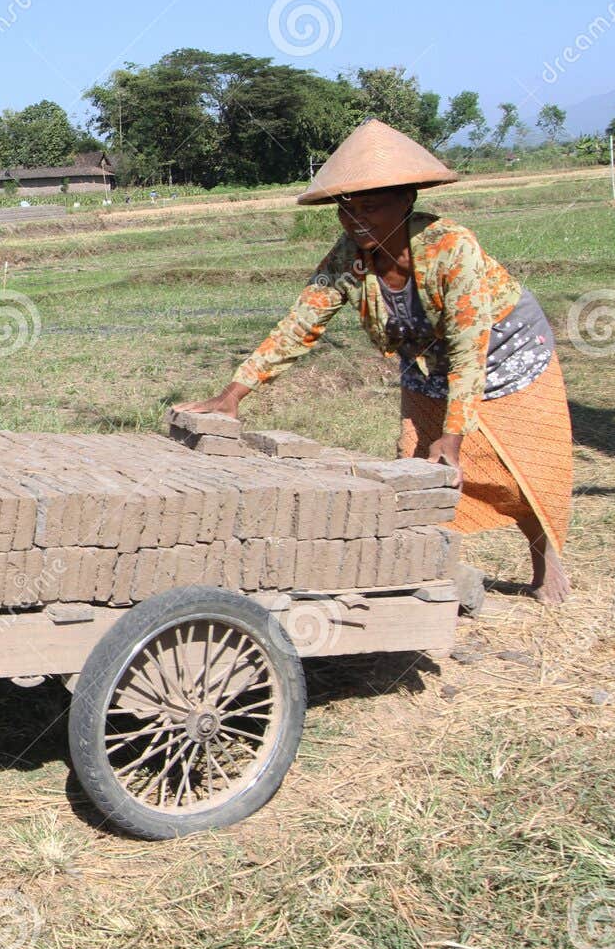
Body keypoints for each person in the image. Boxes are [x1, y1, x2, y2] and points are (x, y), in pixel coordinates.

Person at [179, 119, 572, 603]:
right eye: (347, 210)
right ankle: (431, 567)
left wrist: (453, 438)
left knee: (520, 463)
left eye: (371, 207)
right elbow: (300, 324)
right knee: (418, 460)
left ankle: (545, 563)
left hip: (505, 347)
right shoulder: (350, 257)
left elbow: (470, 348)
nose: (356, 219)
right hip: (423, 354)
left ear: (406, 201)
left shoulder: (452, 247)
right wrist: (233, 394)